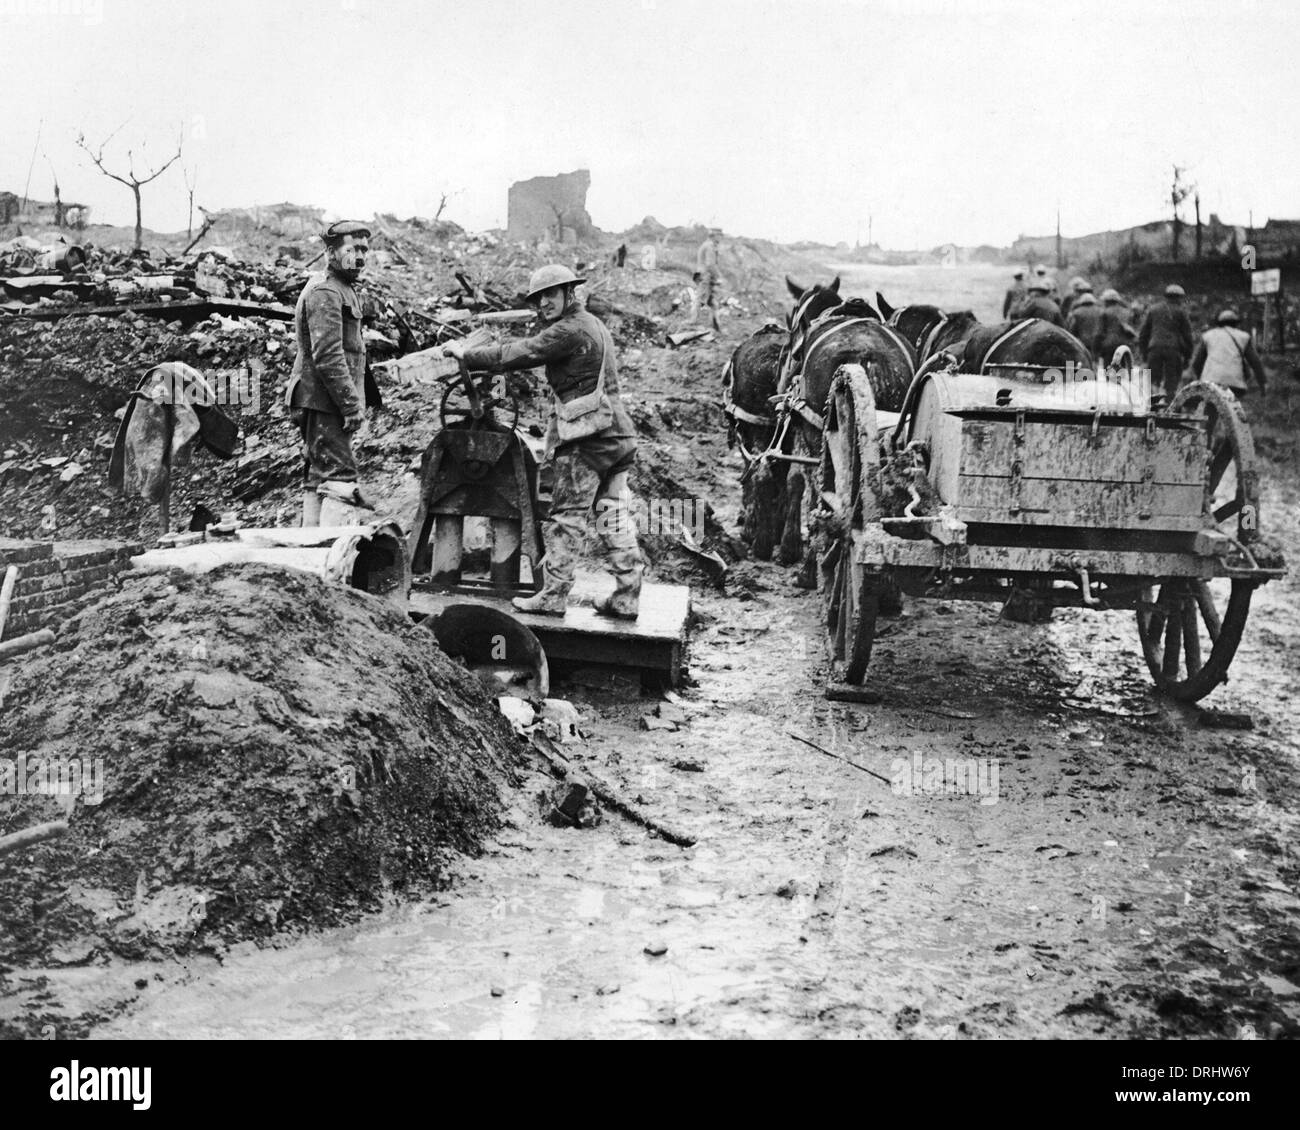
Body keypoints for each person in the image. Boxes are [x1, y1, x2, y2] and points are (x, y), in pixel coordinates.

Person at [442, 264, 644, 619]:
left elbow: (520, 353)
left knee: (568, 518)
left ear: (570, 293)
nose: (543, 304)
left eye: (551, 295)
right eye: (538, 298)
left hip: (587, 440)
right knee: (612, 515)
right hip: (618, 437)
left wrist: (466, 354)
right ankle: (627, 596)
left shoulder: (569, 329)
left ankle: (553, 595)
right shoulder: (594, 325)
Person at [286, 220, 375, 526]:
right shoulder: (325, 291)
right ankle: (334, 563)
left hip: (325, 399)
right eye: (353, 249)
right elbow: (328, 355)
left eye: (365, 249)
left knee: (317, 473)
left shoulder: (343, 289)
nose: (361, 257)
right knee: (339, 475)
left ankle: (310, 551)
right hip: (324, 400)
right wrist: (350, 405)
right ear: (331, 252)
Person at [1191, 309, 1267, 398]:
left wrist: (1200, 380)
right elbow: (1255, 362)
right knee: (1233, 409)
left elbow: (1197, 363)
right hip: (1235, 385)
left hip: (1210, 383)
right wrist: (1262, 385)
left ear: (1219, 323)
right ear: (1236, 323)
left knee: (1211, 408)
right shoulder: (1243, 337)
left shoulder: (1208, 336)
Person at [1138, 283, 1194, 401]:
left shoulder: (1153, 310)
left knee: (1153, 380)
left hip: (1154, 349)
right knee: (1171, 382)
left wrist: (1144, 354)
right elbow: (1188, 336)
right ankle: (1169, 407)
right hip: (1173, 350)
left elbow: (1143, 334)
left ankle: (1153, 406)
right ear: (1179, 297)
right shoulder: (1181, 312)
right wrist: (1188, 357)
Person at [1094, 288, 1137, 367]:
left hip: (1109, 346)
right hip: (1124, 346)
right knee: (1122, 371)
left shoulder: (1104, 313)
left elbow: (1099, 333)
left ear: (1107, 301)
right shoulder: (1127, 312)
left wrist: (1096, 351)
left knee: (1109, 372)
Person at [696, 228, 722, 331]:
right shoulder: (709, 246)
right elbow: (710, 264)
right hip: (706, 276)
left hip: (704, 275)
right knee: (701, 300)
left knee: (712, 302)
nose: (720, 237)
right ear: (713, 235)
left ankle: (716, 326)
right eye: (719, 235)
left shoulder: (707, 245)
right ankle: (695, 323)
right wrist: (718, 277)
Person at [1065, 289, 1101, 355]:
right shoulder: (1100, 311)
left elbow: (1072, 329)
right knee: (1094, 359)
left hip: (1082, 341)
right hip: (1096, 341)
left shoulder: (1077, 312)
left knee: (1079, 358)